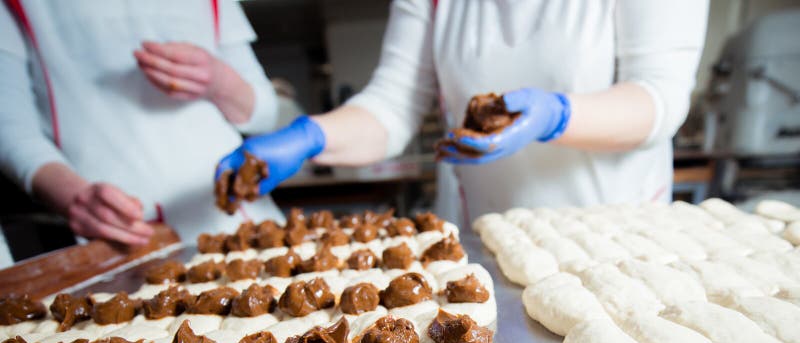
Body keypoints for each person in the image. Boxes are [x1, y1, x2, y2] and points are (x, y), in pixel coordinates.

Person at [216, 0, 709, 225]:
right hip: (491, 235)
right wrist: (308, 137)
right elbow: (391, 104)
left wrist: (557, 116)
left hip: (616, 236)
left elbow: (659, 98)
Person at [0, 0, 281, 247]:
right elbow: (10, 126)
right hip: (122, 229)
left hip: (241, 219)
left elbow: (265, 113)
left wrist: (221, 83)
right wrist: (73, 197)